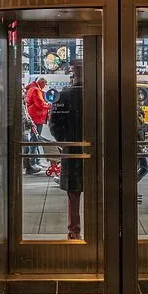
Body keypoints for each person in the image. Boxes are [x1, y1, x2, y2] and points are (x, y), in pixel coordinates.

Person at [49, 62, 84, 239]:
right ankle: (100, 230)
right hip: (99, 149)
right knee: (99, 190)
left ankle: (74, 232)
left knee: (73, 193)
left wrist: (65, 141)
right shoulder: (101, 94)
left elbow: (54, 124)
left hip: (71, 150)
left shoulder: (63, 96)